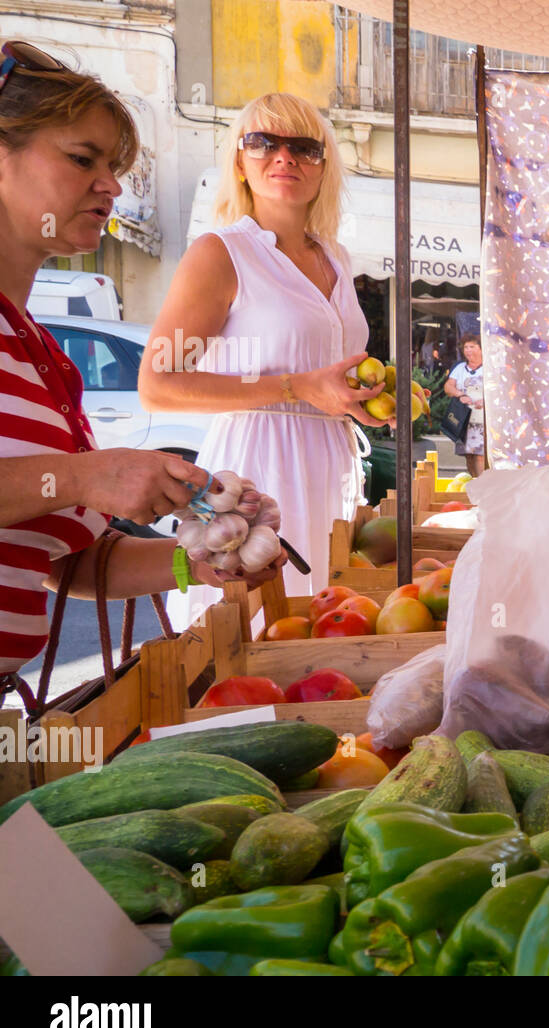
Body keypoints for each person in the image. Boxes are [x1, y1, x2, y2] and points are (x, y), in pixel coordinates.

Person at [0, 41, 285, 684]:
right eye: (82, 158)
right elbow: (66, 487)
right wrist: (79, 477)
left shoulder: (45, 356)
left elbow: (64, 564)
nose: (111, 185)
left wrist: (204, 560)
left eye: (115, 165)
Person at [139, 92, 390, 627]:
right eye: (263, 142)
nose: (284, 157)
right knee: (246, 623)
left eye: (304, 147)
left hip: (332, 459)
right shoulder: (220, 252)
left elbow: (323, 376)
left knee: (321, 617)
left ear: (324, 168)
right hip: (257, 469)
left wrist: (360, 400)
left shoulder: (337, 259)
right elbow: (157, 383)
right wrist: (296, 387)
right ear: (239, 160)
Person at [445, 334, 486, 477]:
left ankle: (482, 487)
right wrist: (460, 395)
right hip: (465, 420)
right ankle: (475, 483)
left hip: (483, 421)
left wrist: (485, 401)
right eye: (466, 347)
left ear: (481, 349)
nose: (468, 350)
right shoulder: (460, 368)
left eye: (472, 347)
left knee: (480, 455)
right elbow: (448, 387)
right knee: (468, 456)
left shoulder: (489, 368)